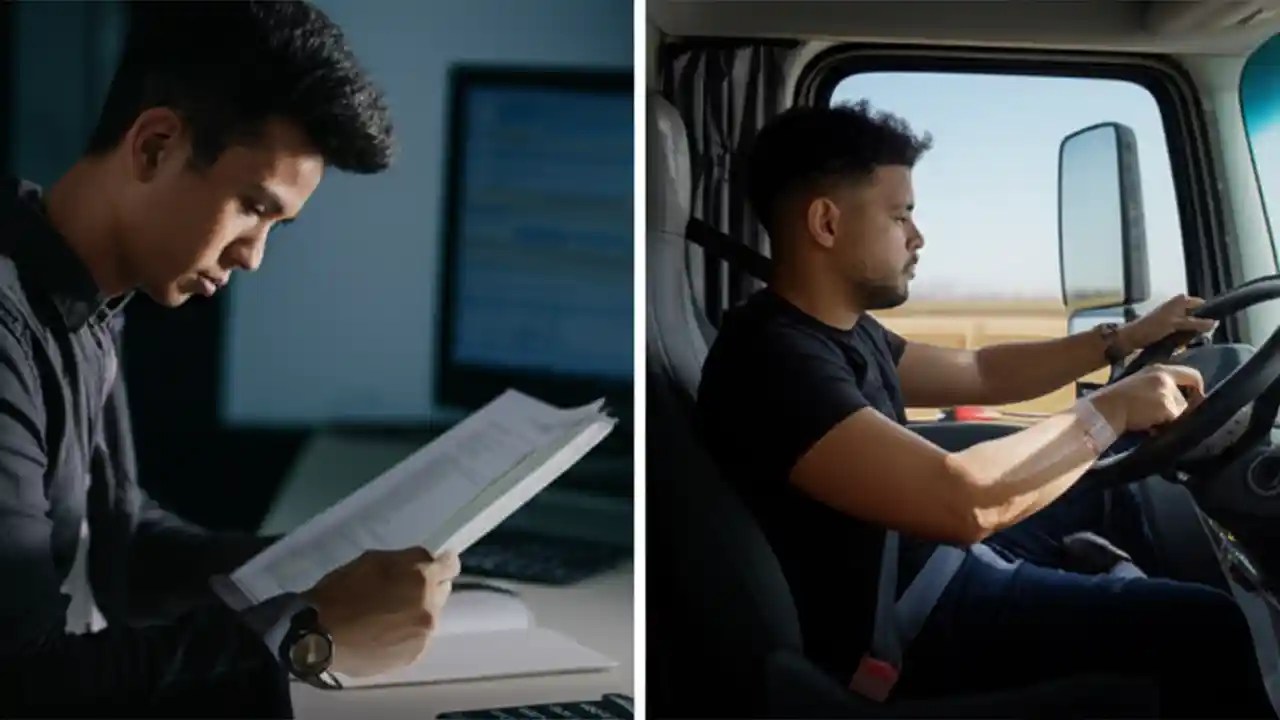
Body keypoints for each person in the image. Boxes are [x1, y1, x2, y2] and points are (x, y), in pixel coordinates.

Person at [696, 100, 1275, 718]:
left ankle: (1115, 583)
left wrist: (1120, 342)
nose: (917, 237)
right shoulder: (773, 363)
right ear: (826, 223)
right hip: (908, 624)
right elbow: (963, 502)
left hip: (922, 562)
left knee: (1121, 489)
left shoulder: (841, 331)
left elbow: (981, 371)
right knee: (1203, 624)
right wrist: (1108, 413)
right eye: (899, 216)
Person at [0, 2, 460, 716]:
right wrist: (308, 633)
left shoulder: (84, 298)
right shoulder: (7, 332)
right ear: (154, 146)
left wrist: (311, 571)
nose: (254, 255)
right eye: (253, 206)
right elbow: (23, 688)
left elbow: (112, 540)